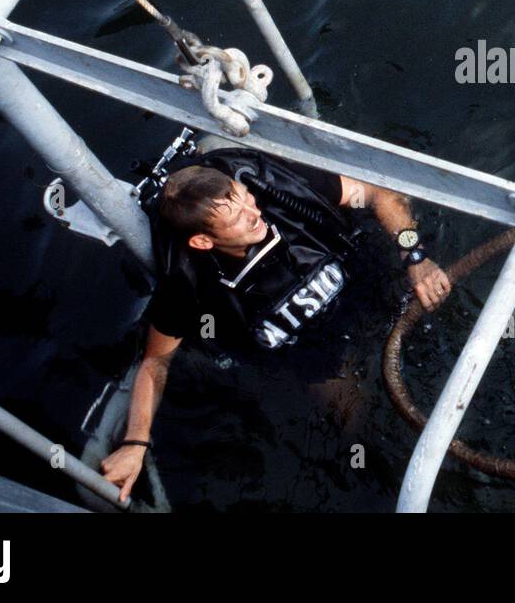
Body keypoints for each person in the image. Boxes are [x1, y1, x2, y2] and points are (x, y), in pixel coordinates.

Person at [100, 146, 450, 502]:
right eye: (236, 218)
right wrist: (135, 442)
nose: (255, 214)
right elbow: (156, 361)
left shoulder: (275, 190)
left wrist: (415, 255)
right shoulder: (188, 282)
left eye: (246, 199)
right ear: (203, 241)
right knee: (354, 421)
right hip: (313, 350)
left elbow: (378, 194)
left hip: (358, 278)